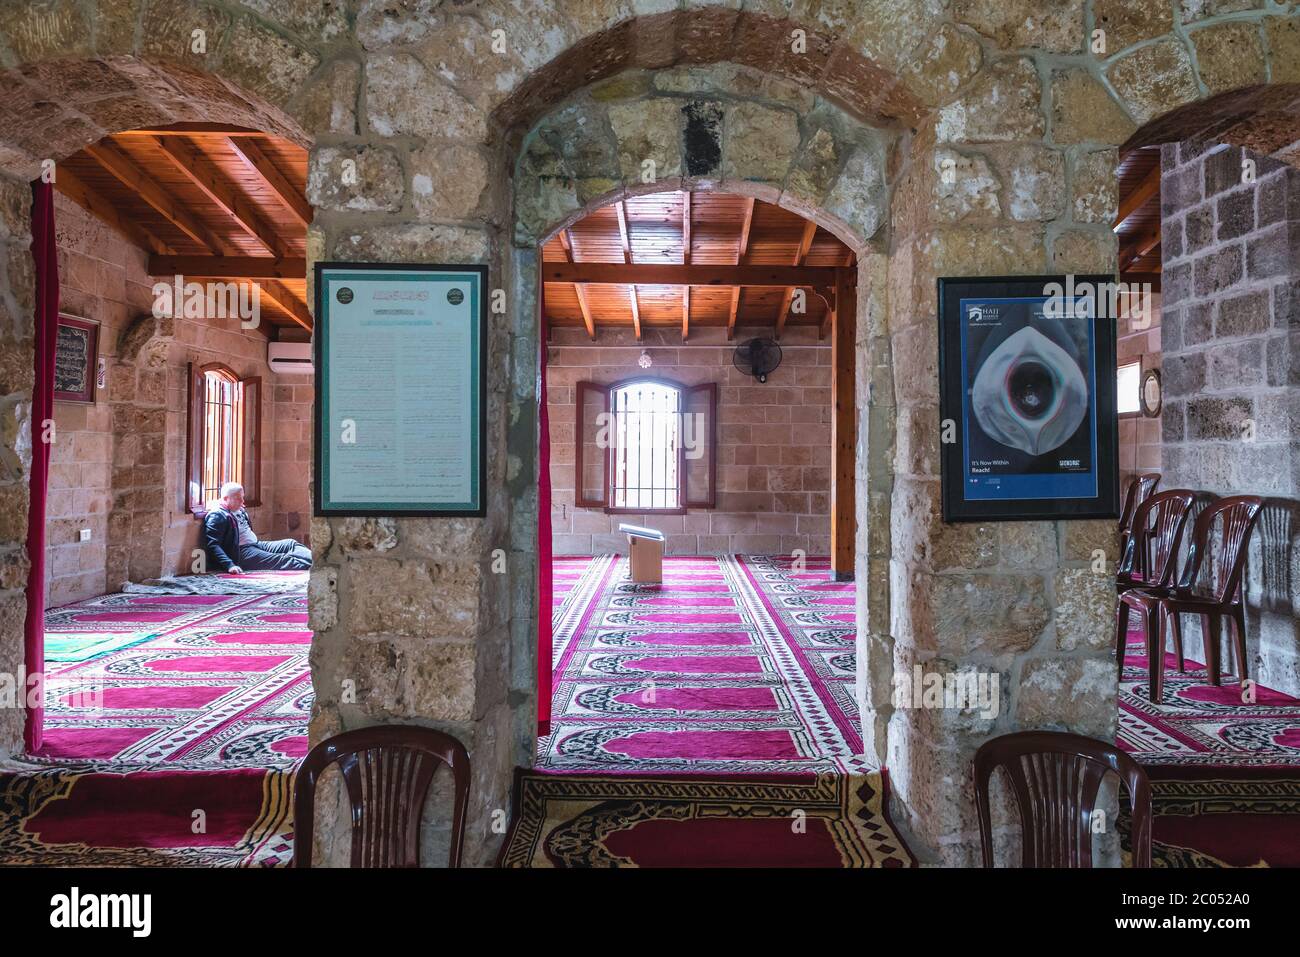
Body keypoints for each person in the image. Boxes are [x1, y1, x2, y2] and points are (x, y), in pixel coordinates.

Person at [202, 482, 311, 573]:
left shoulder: (239, 509)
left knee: (290, 544)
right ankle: (317, 568)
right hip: (241, 553)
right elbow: (213, 545)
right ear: (226, 499)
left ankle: (321, 562)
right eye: (238, 499)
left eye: (242, 498)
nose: (242, 502)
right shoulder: (217, 515)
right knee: (283, 559)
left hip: (256, 544)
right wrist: (229, 565)